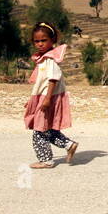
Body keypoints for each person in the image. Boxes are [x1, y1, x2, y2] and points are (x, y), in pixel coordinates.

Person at [25, 22, 77, 169]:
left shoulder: (50, 59)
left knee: (39, 131)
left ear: (52, 40)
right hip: (43, 97)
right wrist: (31, 101)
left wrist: (47, 99)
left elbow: (53, 79)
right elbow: (40, 83)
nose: (40, 44)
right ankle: (69, 144)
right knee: (47, 128)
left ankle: (46, 160)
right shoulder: (44, 58)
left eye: (44, 40)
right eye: (37, 41)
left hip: (48, 98)